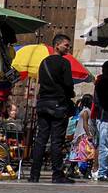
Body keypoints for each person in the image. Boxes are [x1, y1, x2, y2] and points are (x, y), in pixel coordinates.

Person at [30, 34, 76, 183]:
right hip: (57, 106)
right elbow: (68, 84)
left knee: (40, 140)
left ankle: (34, 175)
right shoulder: (64, 63)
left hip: (43, 104)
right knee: (57, 141)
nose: (68, 48)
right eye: (66, 45)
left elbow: (41, 82)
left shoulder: (43, 63)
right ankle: (57, 175)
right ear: (57, 45)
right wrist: (70, 94)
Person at [66, 94, 95, 178]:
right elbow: (85, 124)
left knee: (78, 154)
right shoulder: (86, 111)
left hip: (82, 134)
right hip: (84, 135)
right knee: (89, 153)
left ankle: (72, 170)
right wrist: (88, 134)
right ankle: (87, 172)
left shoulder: (85, 110)